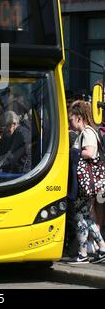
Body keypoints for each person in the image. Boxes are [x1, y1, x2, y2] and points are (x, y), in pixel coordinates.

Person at [68, 100, 105, 264]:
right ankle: (84, 252)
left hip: (85, 182)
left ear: (79, 117)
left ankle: (102, 247)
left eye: (71, 119)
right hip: (86, 182)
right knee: (81, 217)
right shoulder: (88, 132)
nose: (70, 123)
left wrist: (73, 152)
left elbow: (89, 153)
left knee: (83, 217)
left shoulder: (87, 133)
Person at [0, 111, 27, 177]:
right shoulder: (9, 134)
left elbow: (11, 155)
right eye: (1, 128)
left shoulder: (21, 134)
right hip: (9, 174)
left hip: (20, 176)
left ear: (14, 124)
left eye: (5, 127)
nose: (3, 131)